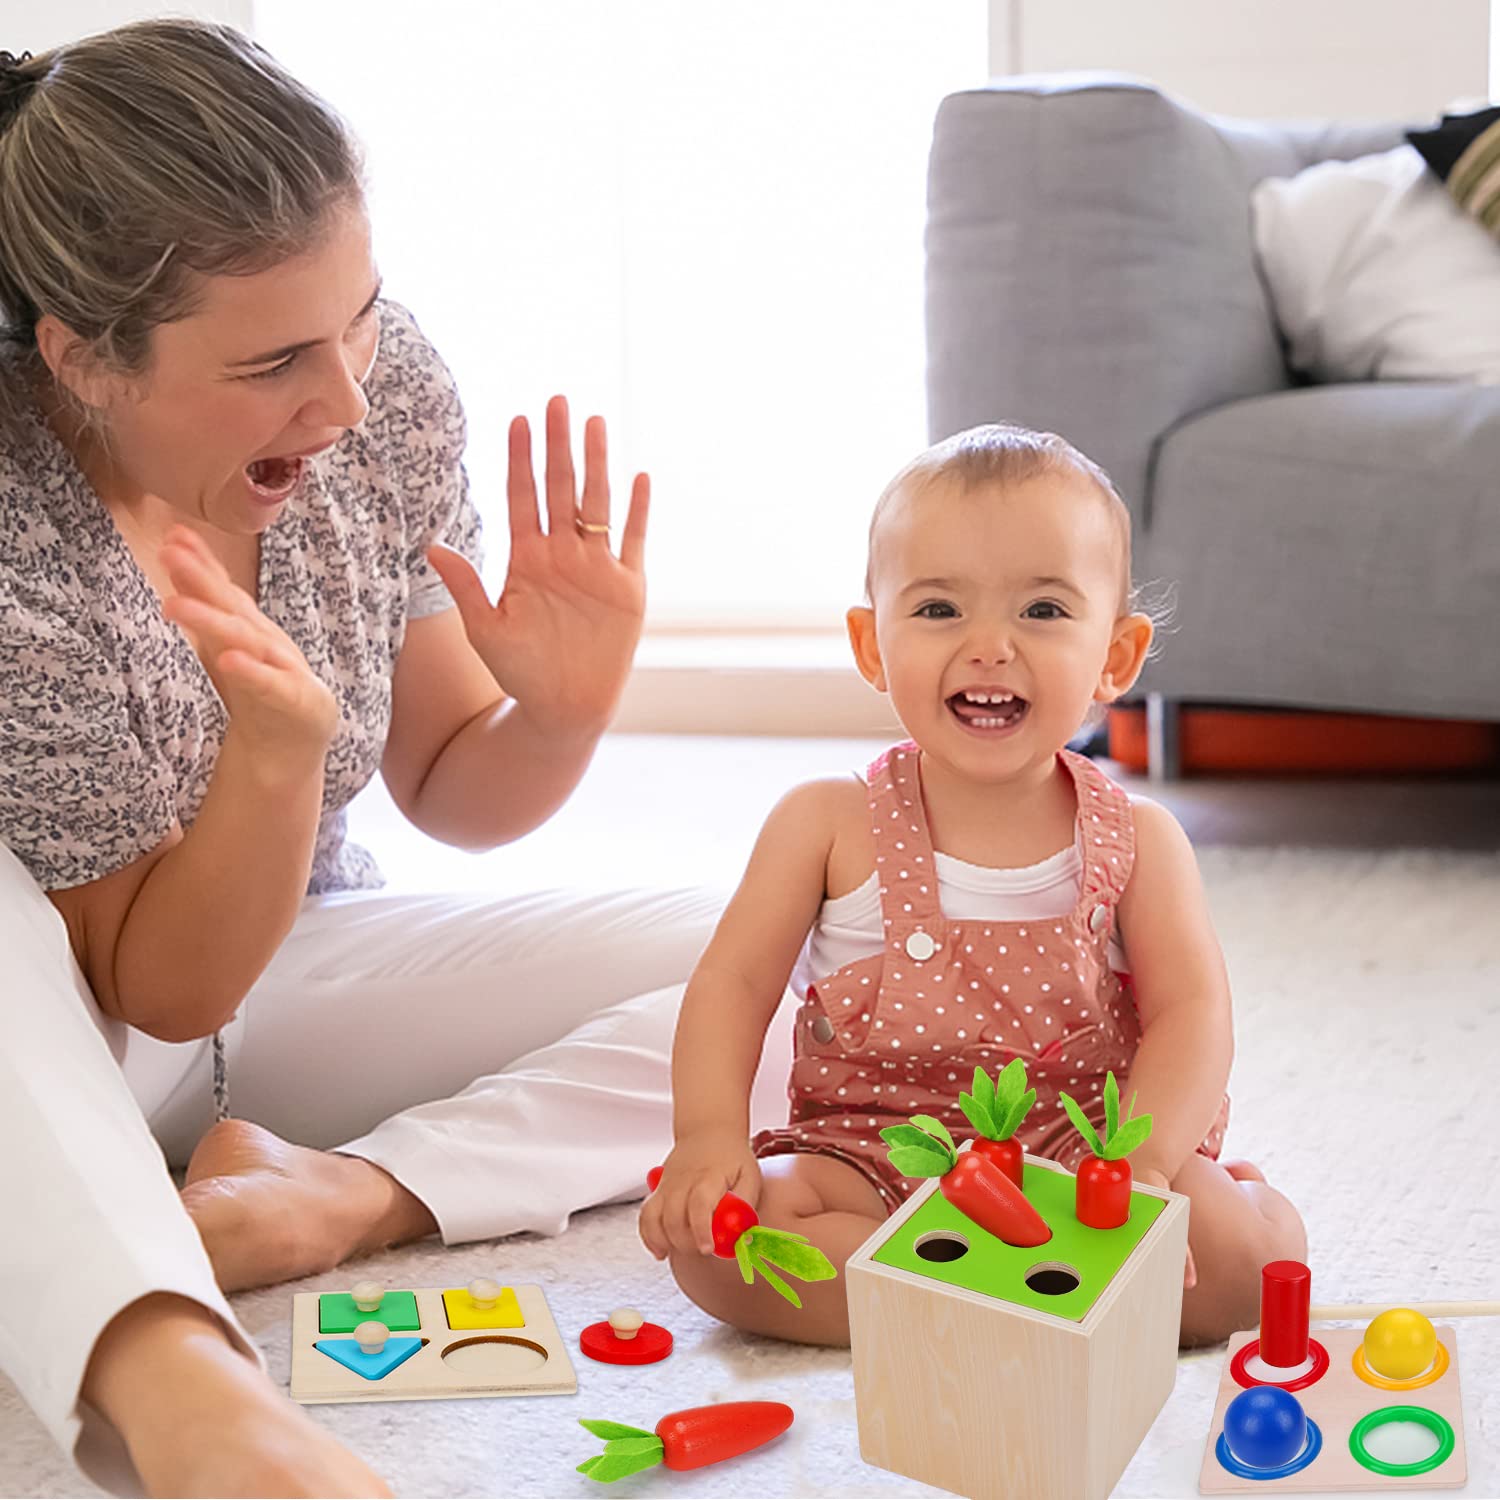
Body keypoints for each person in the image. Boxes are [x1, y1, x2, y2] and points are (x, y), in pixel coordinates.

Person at [0, 21, 792, 1497]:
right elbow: (158, 990)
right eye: (276, 360)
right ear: (82, 359)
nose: (348, 399)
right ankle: (190, 1414)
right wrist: (273, 763)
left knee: (819, 949)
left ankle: (341, 1199)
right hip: (72, 1036)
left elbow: (446, 779)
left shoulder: (378, 399)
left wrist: (553, 713)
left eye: (357, 316)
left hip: (306, 970)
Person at [638, 423, 1309, 1348]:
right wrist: (709, 1135)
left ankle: (1216, 1217)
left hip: (1082, 1165)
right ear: (871, 646)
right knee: (728, 1253)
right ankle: (1016, 1306)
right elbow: (732, 986)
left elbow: (1196, 1012)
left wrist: (1145, 1164)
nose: (990, 646)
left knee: (1245, 1273)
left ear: (1115, 658)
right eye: (940, 610)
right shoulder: (825, 823)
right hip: (873, 1159)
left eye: (1041, 611)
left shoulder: (1141, 839)